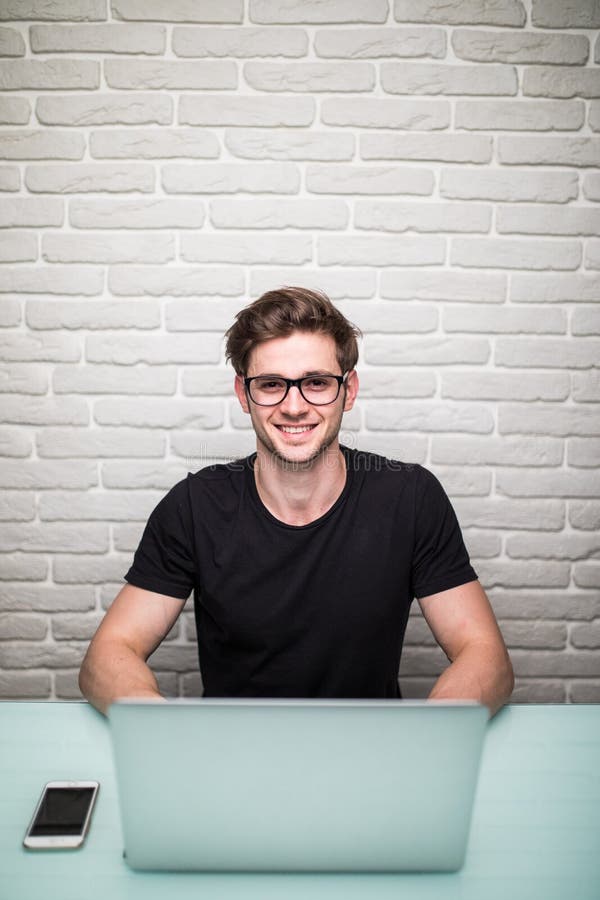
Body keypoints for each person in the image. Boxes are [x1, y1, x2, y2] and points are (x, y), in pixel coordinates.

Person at [79, 287, 514, 716]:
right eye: (271, 384)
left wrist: (425, 739)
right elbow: (109, 655)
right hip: (235, 757)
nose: (293, 406)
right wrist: (161, 727)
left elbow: (485, 656)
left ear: (349, 389)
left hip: (369, 755)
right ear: (242, 394)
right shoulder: (194, 506)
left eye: (316, 383)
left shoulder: (411, 497)